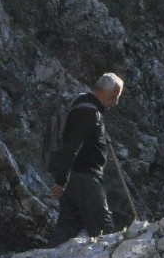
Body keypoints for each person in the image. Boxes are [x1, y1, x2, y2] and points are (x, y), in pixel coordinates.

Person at [48, 73, 124, 245]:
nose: (115, 102)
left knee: (68, 225)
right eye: (114, 96)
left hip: (74, 177)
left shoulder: (83, 105)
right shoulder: (88, 112)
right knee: (104, 229)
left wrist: (63, 179)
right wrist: (60, 181)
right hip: (85, 178)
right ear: (103, 92)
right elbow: (72, 146)